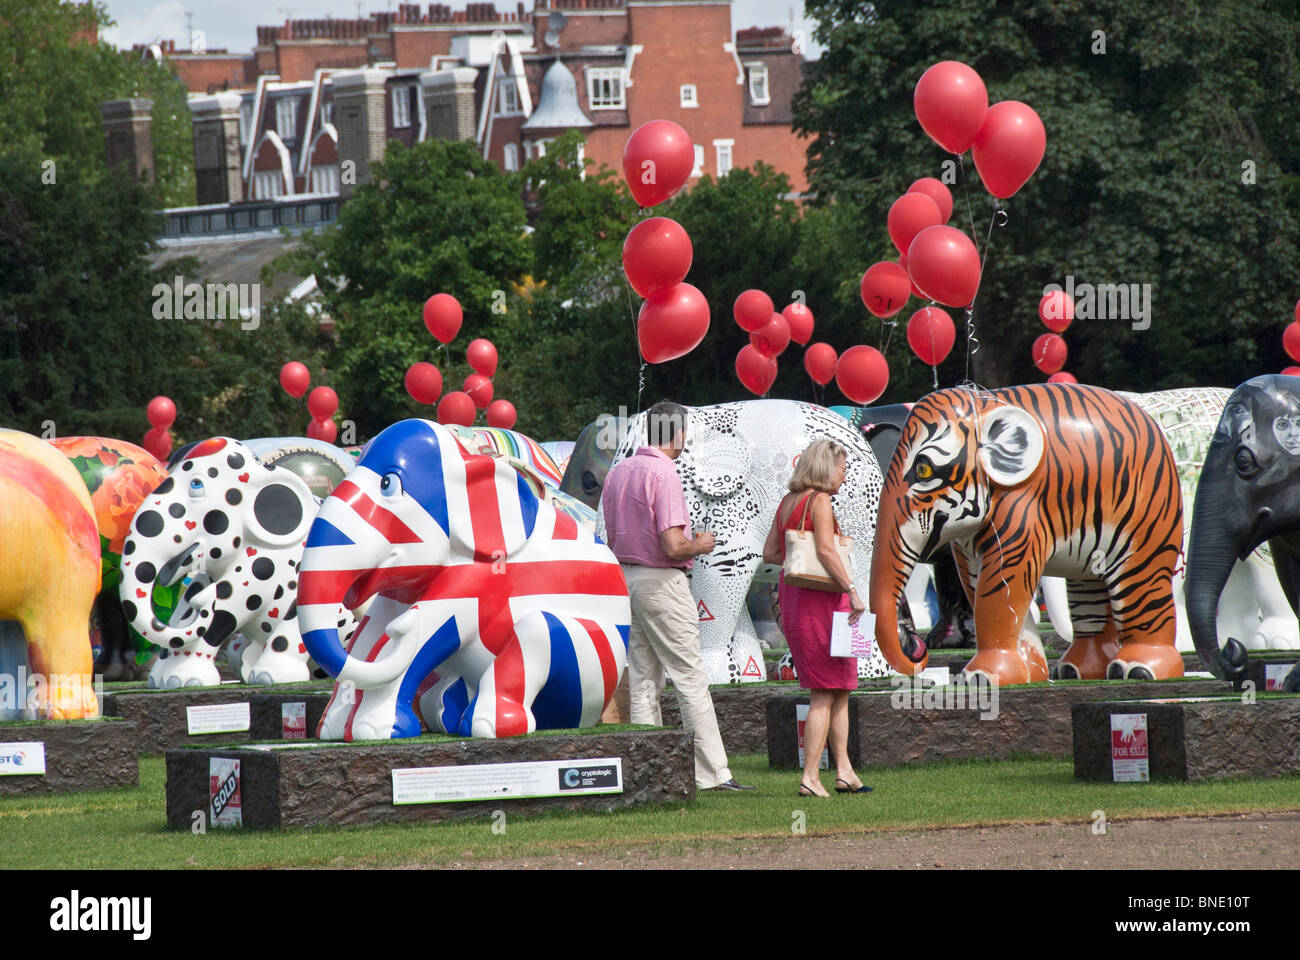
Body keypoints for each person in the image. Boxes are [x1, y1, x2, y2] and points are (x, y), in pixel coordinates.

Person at [601, 400, 754, 792]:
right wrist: (700, 545)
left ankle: (647, 770)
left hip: (624, 580)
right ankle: (711, 774)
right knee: (689, 677)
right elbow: (672, 545)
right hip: (660, 582)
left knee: (643, 679)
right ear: (678, 432)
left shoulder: (618, 471)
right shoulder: (664, 470)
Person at [762, 439, 871, 797]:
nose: (845, 474)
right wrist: (851, 589)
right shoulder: (820, 501)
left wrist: (800, 563)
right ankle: (810, 776)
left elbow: (771, 553)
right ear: (826, 467)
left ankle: (844, 771)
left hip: (797, 597)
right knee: (825, 690)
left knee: (840, 687)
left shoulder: (787, 502)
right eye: (842, 467)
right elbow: (826, 549)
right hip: (825, 602)